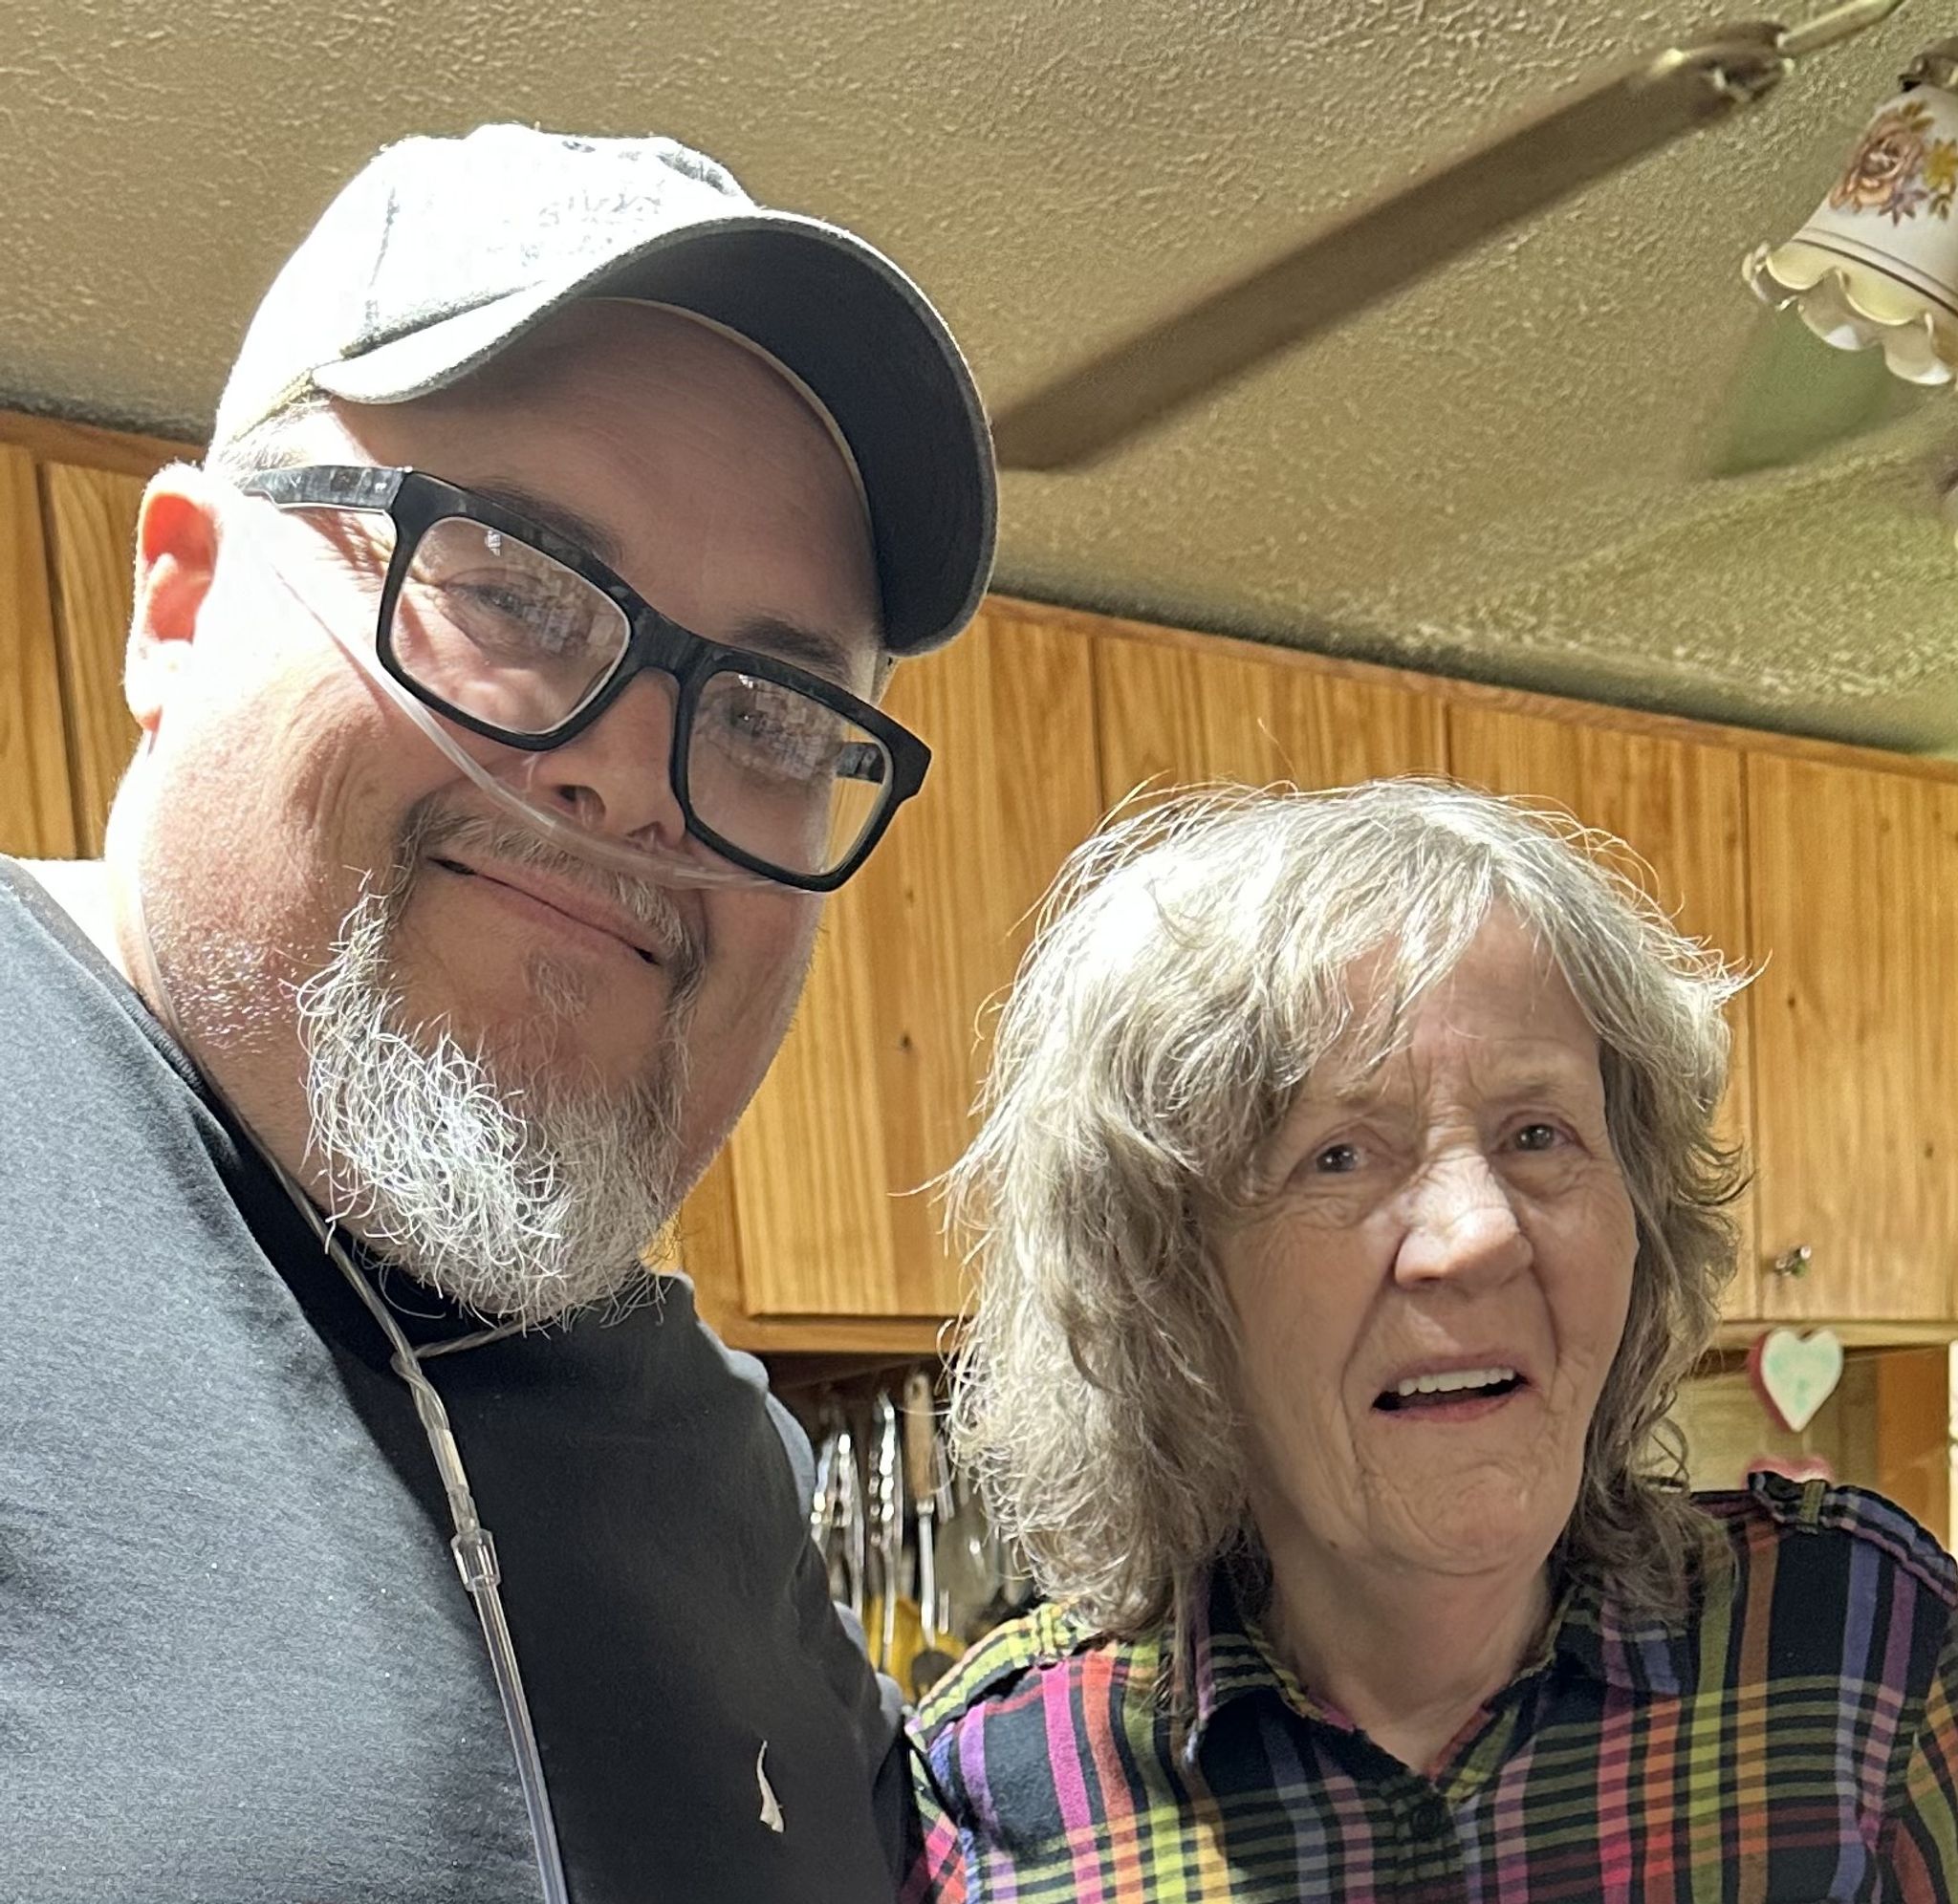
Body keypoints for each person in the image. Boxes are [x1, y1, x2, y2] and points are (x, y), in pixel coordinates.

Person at [2, 125, 994, 1902]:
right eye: (514, 589)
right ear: (182, 596)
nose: (638, 779)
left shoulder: (716, 1467)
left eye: (770, 715)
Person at [906, 780, 1958, 1903]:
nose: (1479, 1232)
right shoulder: (997, 1798)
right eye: (1338, 1155)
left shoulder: (1861, 1654)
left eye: (1536, 1134)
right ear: (1161, 1284)